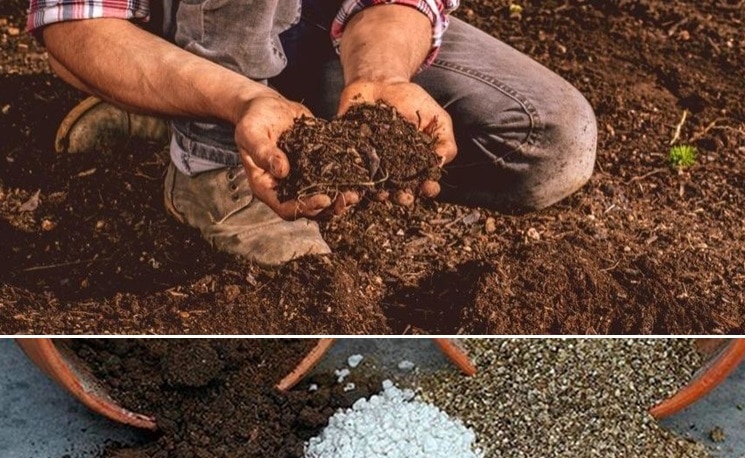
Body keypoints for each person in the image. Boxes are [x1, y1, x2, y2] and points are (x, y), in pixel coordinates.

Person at [28, 0, 597, 266]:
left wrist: (379, 72)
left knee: (547, 141)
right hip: (157, 27)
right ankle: (208, 154)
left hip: (316, 28)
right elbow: (77, 25)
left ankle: (200, 109)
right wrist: (241, 97)